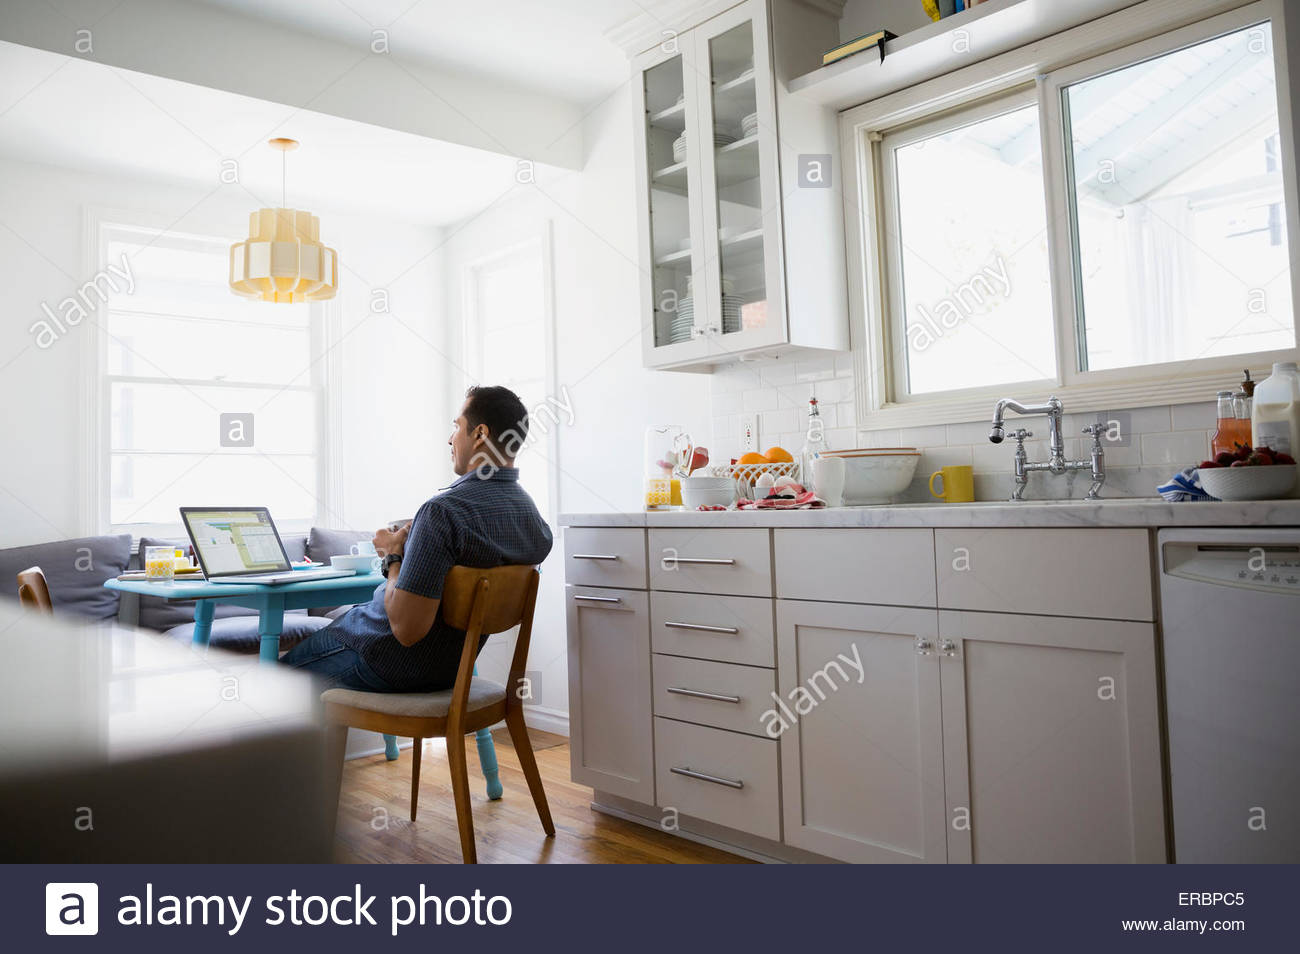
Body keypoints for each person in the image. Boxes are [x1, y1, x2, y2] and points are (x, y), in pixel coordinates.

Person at [281, 385, 553, 692]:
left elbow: (407, 630)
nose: (451, 439)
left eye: (456, 427)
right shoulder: (533, 521)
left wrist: (392, 554)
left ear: (479, 434)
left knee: (273, 685)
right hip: (451, 669)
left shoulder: (443, 512)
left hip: (384, 658)